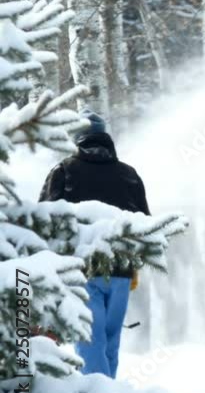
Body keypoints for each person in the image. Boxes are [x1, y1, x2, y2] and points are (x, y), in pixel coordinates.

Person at [38, 110, 150, 378]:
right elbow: (146, 225)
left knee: (90, 340)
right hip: (121, 271)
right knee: (110, 341)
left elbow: (43, 221)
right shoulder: (129, 175)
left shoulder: (64, 171)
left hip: (81, 270)